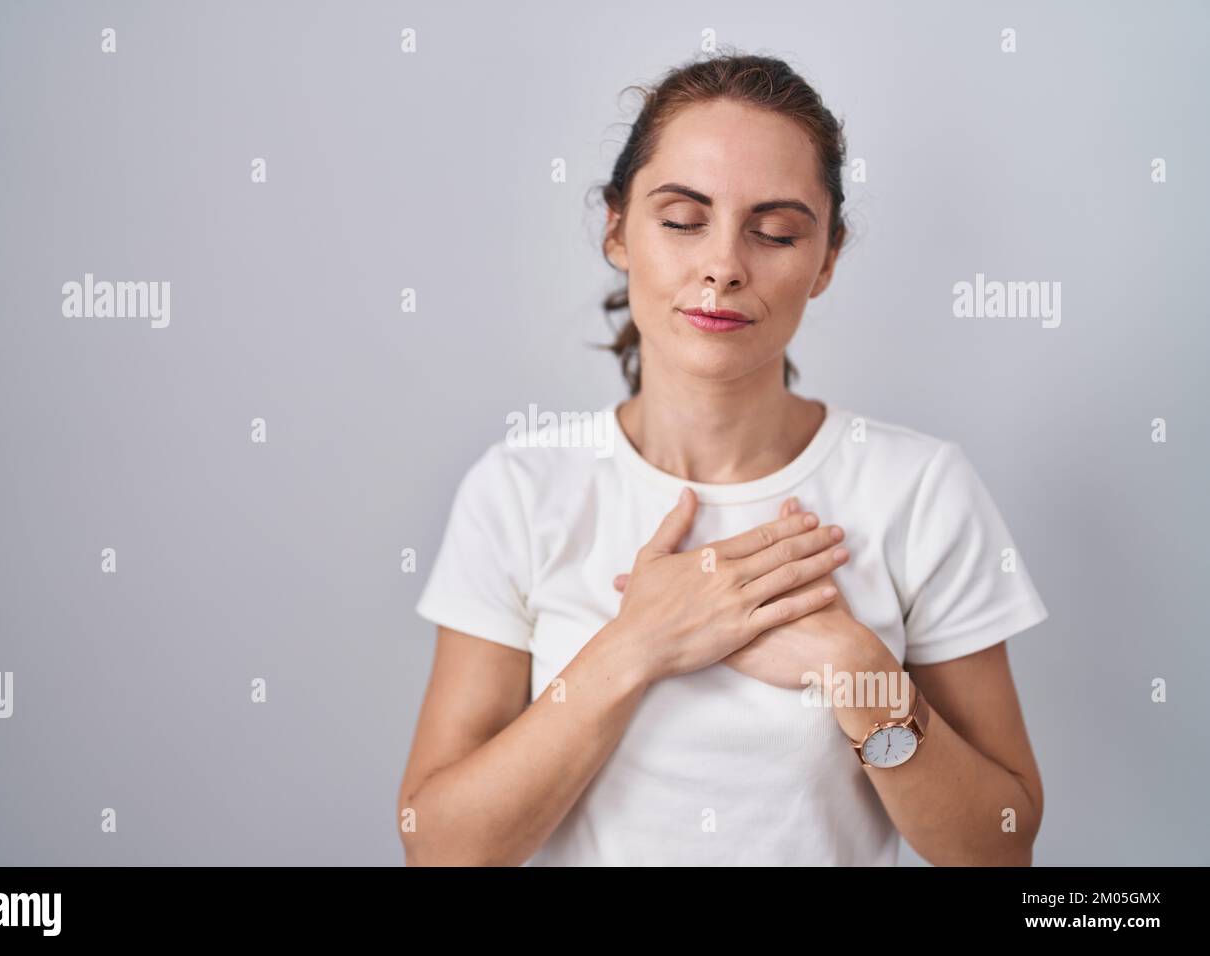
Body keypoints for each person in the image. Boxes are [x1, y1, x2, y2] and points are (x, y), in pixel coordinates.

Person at [398, 52, 1049, 866]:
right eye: (681, 219)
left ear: (828, 259)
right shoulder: (520, 490)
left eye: (775, 232)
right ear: (615, 230)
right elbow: (441, 847)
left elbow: (1003, 846)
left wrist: (859, 672)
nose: (725, 266)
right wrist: (637, 646)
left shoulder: (918, 489)